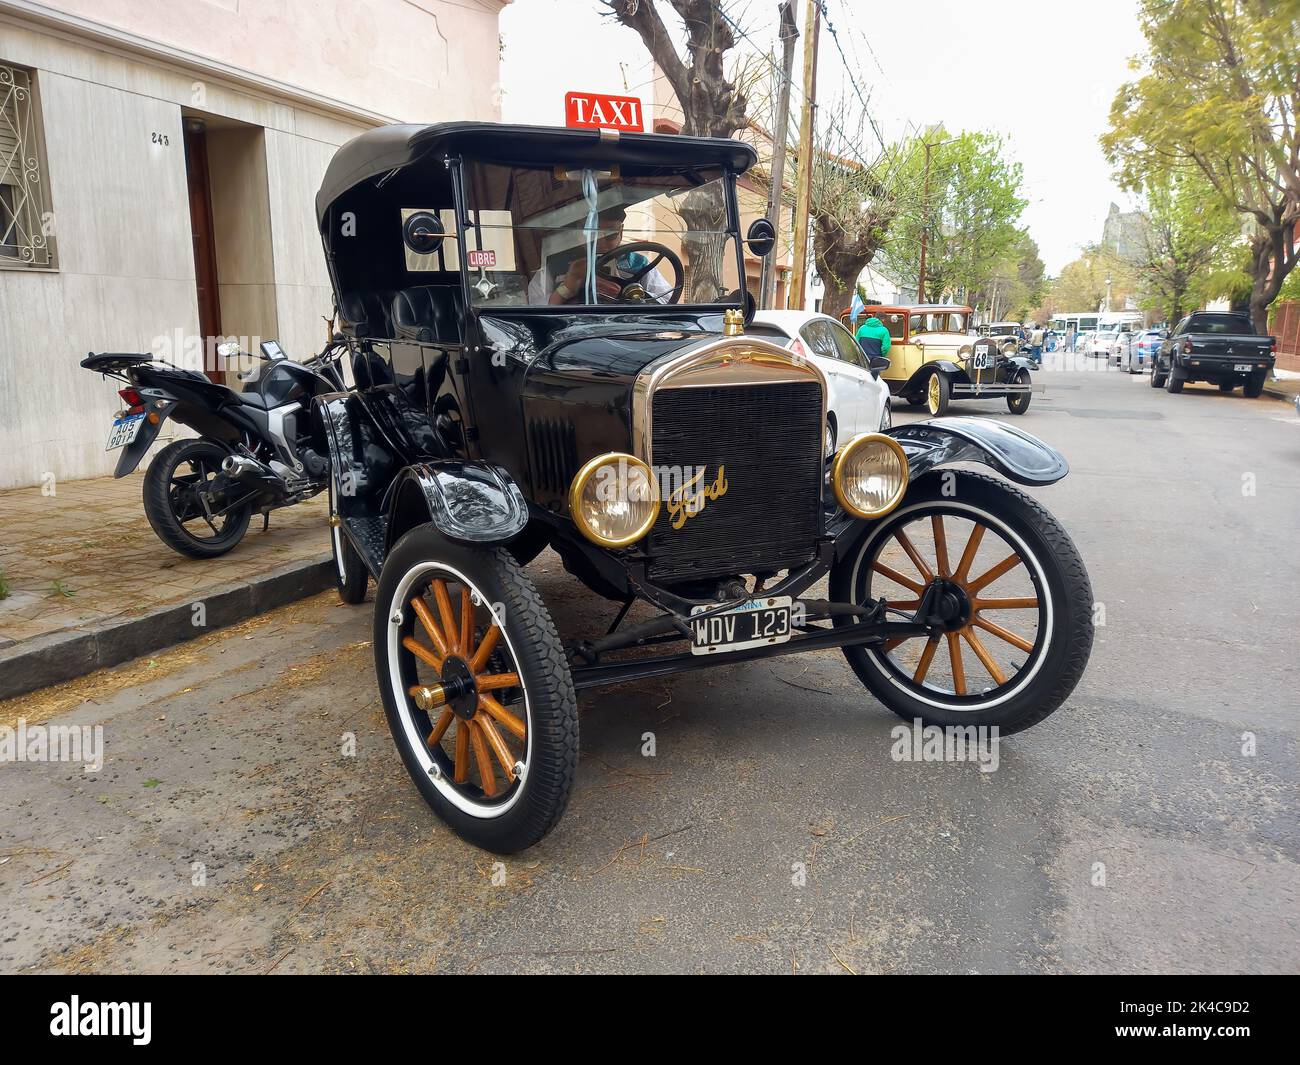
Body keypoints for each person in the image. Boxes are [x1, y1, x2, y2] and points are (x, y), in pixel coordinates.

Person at [526, 204, 675, 305]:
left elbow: (668, 300)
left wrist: (628, 294)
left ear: (621, 232)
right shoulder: (556, 267)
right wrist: (567, 288)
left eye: (610, 234)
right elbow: (533, 307)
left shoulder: (639, 264)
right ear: (580, 233)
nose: (601, 241)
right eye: (593, 233)